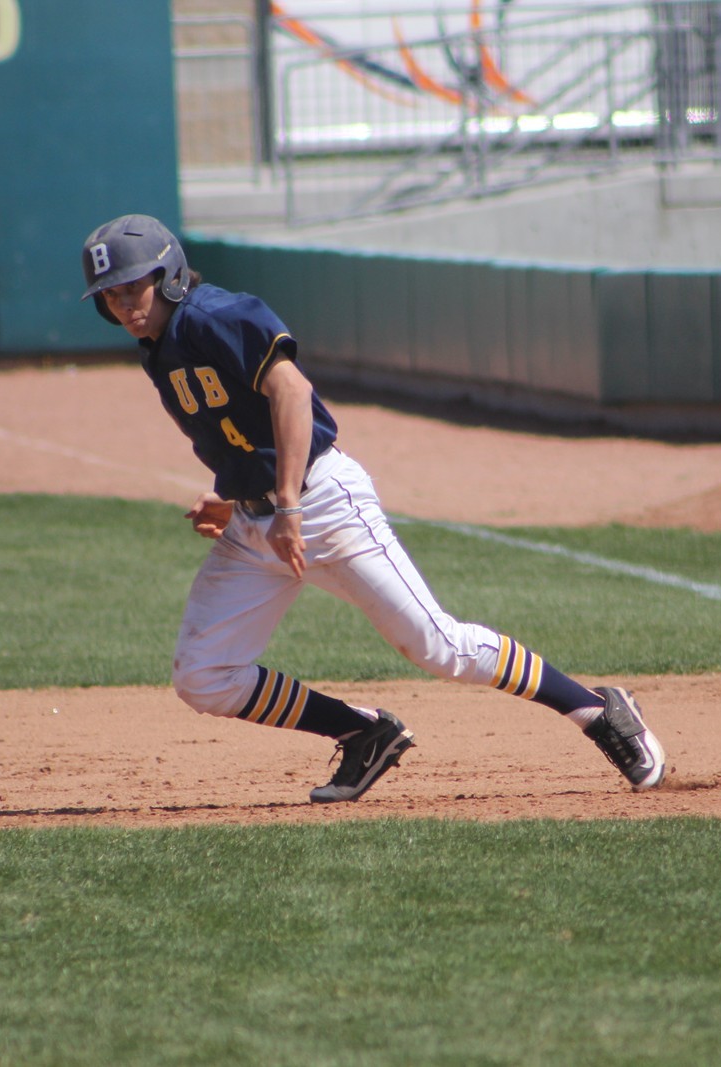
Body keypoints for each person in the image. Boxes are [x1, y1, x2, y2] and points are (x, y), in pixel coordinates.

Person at [80, 214, 667, 803]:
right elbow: (240, 429)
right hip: (258, 524)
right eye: (111, 294)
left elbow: (291, 392)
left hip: (321, 504)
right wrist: (235, 494)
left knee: (439, 647)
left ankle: (596, 709)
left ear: (171, 274)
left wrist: (285, 506)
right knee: (203, 676)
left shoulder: (216, 316)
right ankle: (363, 732)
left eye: (135, 286)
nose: (124, 303)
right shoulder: (159, 347)